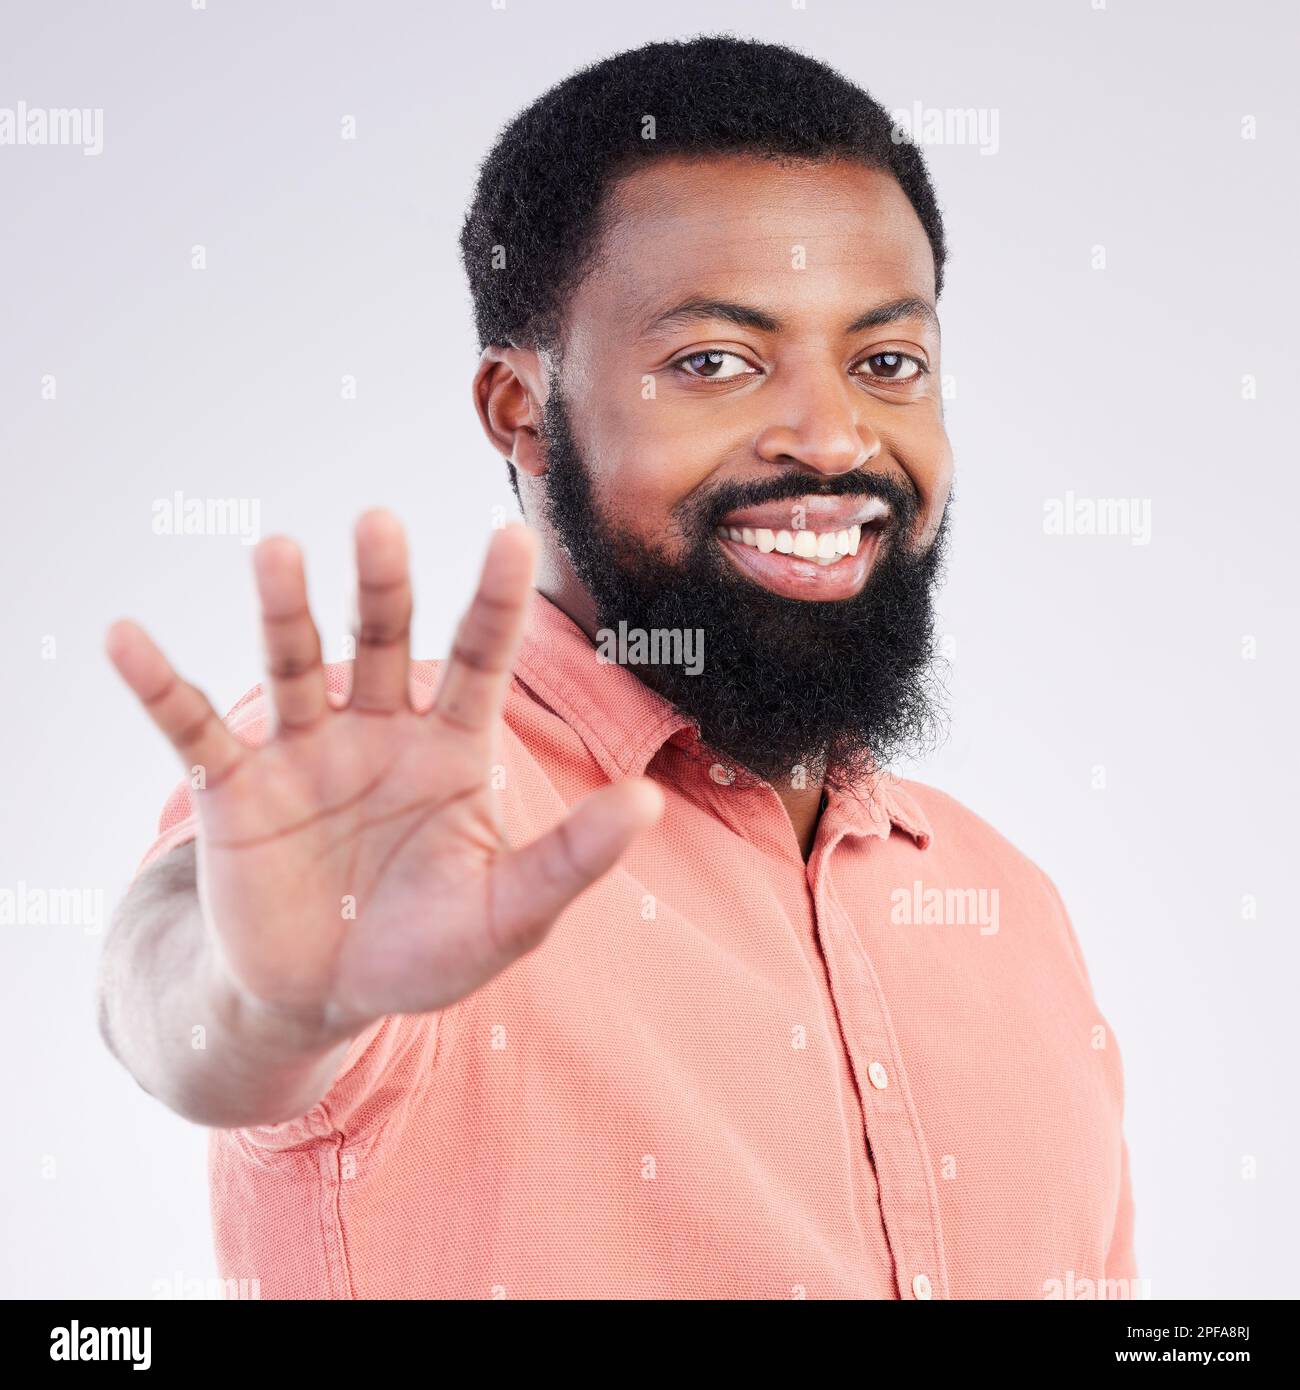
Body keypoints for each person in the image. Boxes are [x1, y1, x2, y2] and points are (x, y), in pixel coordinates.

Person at [97, 34, 1137, 1299]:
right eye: (713, 361)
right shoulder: (406, 799)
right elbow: (191, 1006)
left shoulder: (1008, 906)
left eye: (886, 363)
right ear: (519, 411)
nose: (830, 438)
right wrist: (272, 992)